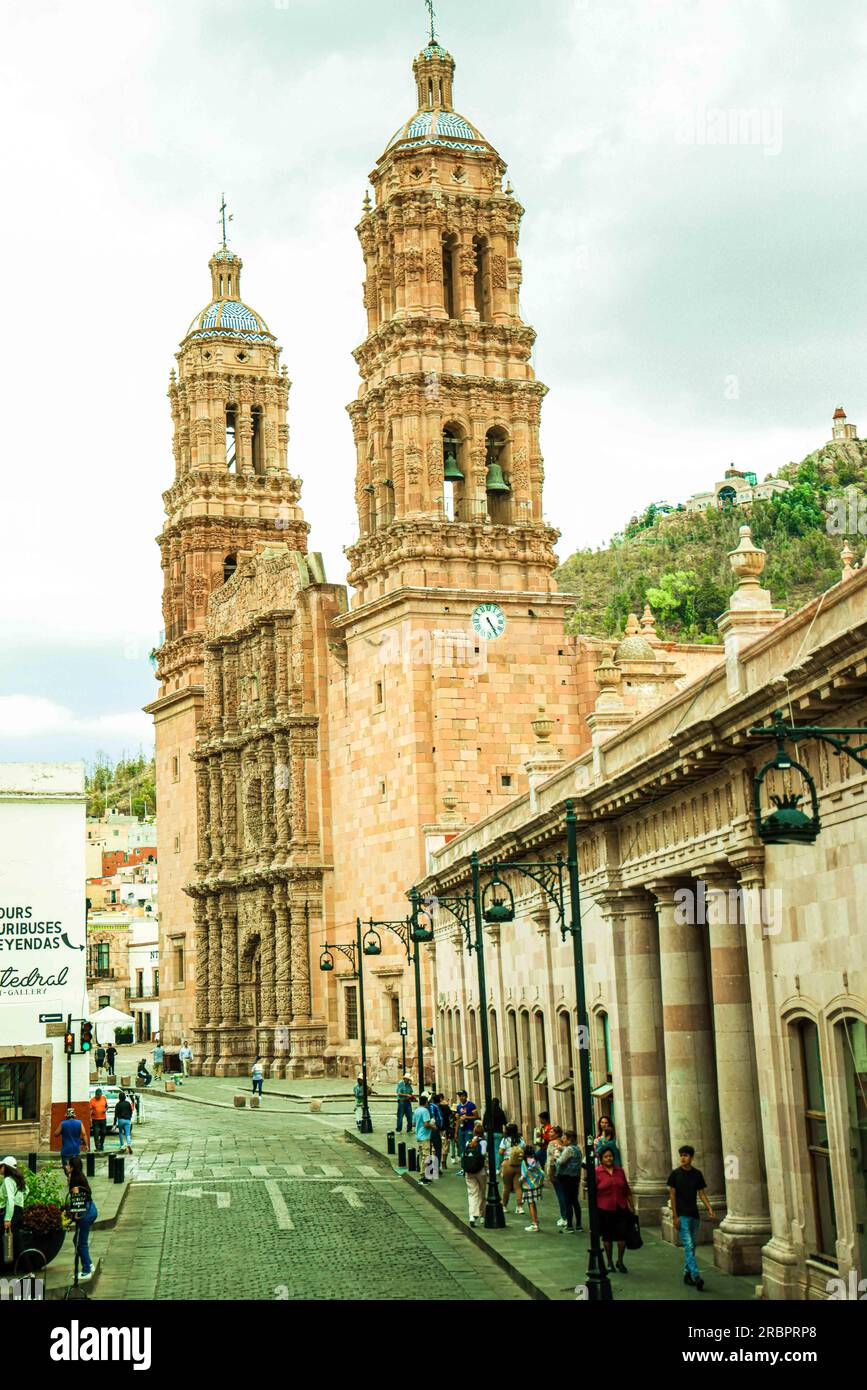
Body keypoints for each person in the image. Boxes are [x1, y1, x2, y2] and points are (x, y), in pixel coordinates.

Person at [668, 1145, 716, 1291]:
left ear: (691, 1157)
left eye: (686, 1155)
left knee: (692, 1247)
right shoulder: (675, 1174)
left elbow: (701, 1193)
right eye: (681, 1155)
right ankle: (696, 1276)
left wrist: (709, 1207)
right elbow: (672, 1195)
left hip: (694, 1215)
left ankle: (686, 1274)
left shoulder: (697, 1174)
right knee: (688, 1246)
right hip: (682, 1216)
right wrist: (675, 1216)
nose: (683, 1158)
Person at [596, 1144, 634, 1272]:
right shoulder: (597, 1172)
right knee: (607, 1237)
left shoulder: (620, 1171)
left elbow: (626, 1189)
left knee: (622, 1237)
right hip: (604, 1208)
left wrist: (631, 1206)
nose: (609, 1159)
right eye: (606, 1157)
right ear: (601, 1159)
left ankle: (620, 1261)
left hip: (621, 1207)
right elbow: (593, 1191)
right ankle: (609, 1262)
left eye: (610, 1156)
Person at [65, 1155, 98, 1281]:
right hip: (91, 1208)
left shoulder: (75, 1180)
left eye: (68, 1165)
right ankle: (89, 1263)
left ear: (72, 1167)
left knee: (80, 1242)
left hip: (85, 1212)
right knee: (77, 1240)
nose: (67, 1166)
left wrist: (74, 1215)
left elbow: (76, 1200)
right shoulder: (81, 1176)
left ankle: (86, 1270)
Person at [555, 1130, 583, 1231]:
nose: (563, 1140)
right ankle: (579, 1224)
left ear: (569, 1139)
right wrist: (562, 1148)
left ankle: (570, 1225)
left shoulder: (568, 1149)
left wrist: (556, 1157)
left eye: (564, 1138)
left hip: (566, 1177)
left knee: (568, 1201)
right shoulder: (578, 1149)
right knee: (575, 1201)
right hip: (575, 1177)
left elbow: (561, 1161)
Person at [0, 1157, 26, 1267]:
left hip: (11, 1212)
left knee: (17, 1242)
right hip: (18, 1211)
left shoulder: (7, 1180)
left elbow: (10, 1200)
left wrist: (7, 1218)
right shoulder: (18, 1179)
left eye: (1, 1166)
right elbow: (26, 1191)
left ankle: (28, 1269)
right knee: (16, 1240)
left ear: (6, 1167)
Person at [462, 1122, 487, 1225]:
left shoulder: (468, 1142)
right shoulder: (483, 1142)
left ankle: (472, 1215)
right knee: (482, 1192)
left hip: (469, 1170)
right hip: (480, 1170)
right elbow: (483, 1154)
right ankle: (482, 1215)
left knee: (472, 1193)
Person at [545, 1126, 570, 1227]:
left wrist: (551, 1172)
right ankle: (565, 1216)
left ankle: (564, 1217)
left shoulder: (552, 1143)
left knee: (560, 1195)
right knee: (563, 1194)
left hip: (555, 1172)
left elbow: (552, 1159)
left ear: (557, 1134)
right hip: (562, 1172)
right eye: (550, 1132)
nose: (550, 1134)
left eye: (552, 1132)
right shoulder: (561, 1142)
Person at [499, 1125, 525, 1216]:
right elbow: (523, 1150)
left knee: (506, 1187)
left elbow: (501, 1152)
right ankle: (519, 1207)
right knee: (518, 1187)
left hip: (507, 1163)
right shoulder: (521, 1140)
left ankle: (504, 1206)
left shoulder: (505, 1140)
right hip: (518, 1164)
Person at [520, 1145, 545, 1232]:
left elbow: (524, 1174)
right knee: (533, 1204)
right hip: (536, 1185)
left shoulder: (524, 1162)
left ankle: (534, 1224)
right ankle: (536, 1221)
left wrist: (520, 1181)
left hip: (527, 1186)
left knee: (530, 1204)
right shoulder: (536, 1161)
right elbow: (541, 1172)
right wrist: (540, 1181)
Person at [413, 1093, 435, 1181]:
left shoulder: (417, 1110)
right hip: (425, 1136)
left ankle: (422, 1173)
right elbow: (426, 1124)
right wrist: (433, 1127)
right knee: (426, 1156)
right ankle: (424, 1175)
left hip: (418, 1135)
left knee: (422, 1155)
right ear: (426, 1102)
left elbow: (414, 1124)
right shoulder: (425, 1111)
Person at [482, 1097, 507, 1170]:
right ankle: (497, 1168)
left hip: (488, 1133)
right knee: (497, 1151)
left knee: (489, 1150)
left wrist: (484, 1130)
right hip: (498, 1133)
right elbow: (505, 1122)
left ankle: (490, 1167)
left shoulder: (488, 1111)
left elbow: (484, 1122)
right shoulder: (500, 1111)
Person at [455, 1091, 478, 1156]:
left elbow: (477, 1117)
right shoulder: (458, 1106)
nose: (461, 1098)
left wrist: (466, 1117)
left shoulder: (471, 1105)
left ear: (466, 1096)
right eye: (460, 1096)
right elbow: (457, 1120)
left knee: (468, 1145)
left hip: (469, 1129)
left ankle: (469, 1160)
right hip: (461, 1129)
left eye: (462, 1096)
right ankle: (463, 1161)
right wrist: (456, 1133)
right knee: (461, 1147)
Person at [437, 1093, 454, 1169]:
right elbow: (451, 1115)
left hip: (437, 1129)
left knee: (437, 1146)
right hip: (445, 1129)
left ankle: (437, 1163)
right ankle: (443, 1161)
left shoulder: (435, 1107)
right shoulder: (445, 1106)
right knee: (445, 1146)